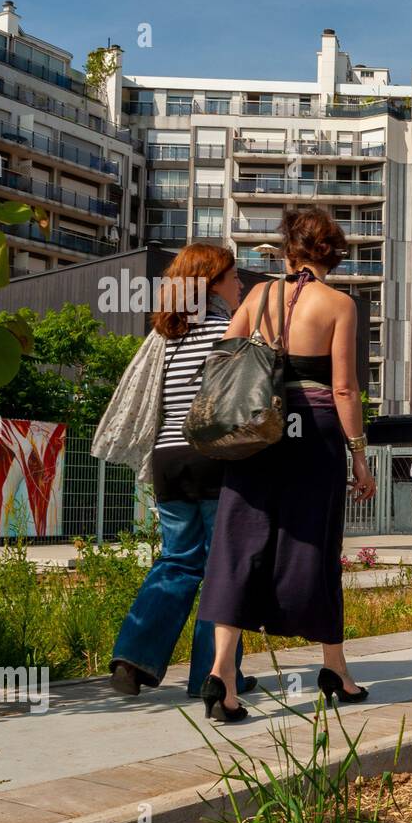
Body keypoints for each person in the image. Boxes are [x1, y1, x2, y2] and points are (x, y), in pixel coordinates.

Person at [196, 208, 377, 721]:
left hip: (255, 432)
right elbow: (343, 388)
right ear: (333, 254)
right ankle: (335, 669)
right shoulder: (338, 305)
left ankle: (222, 674)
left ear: (290, 250)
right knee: (314, 548)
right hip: (312, 435)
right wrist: (359, 457)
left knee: (238, 545)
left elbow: (227, 355)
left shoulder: (256, 295)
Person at [106, 244, 255, 700]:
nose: (240, 285)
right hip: (213, 459)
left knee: (177, 558)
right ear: (211, 283)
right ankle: (213, 675)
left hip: (167, 460)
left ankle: (133, 659)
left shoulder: (163, 338)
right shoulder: (227, 332)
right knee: (221, 568)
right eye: (232, 278)